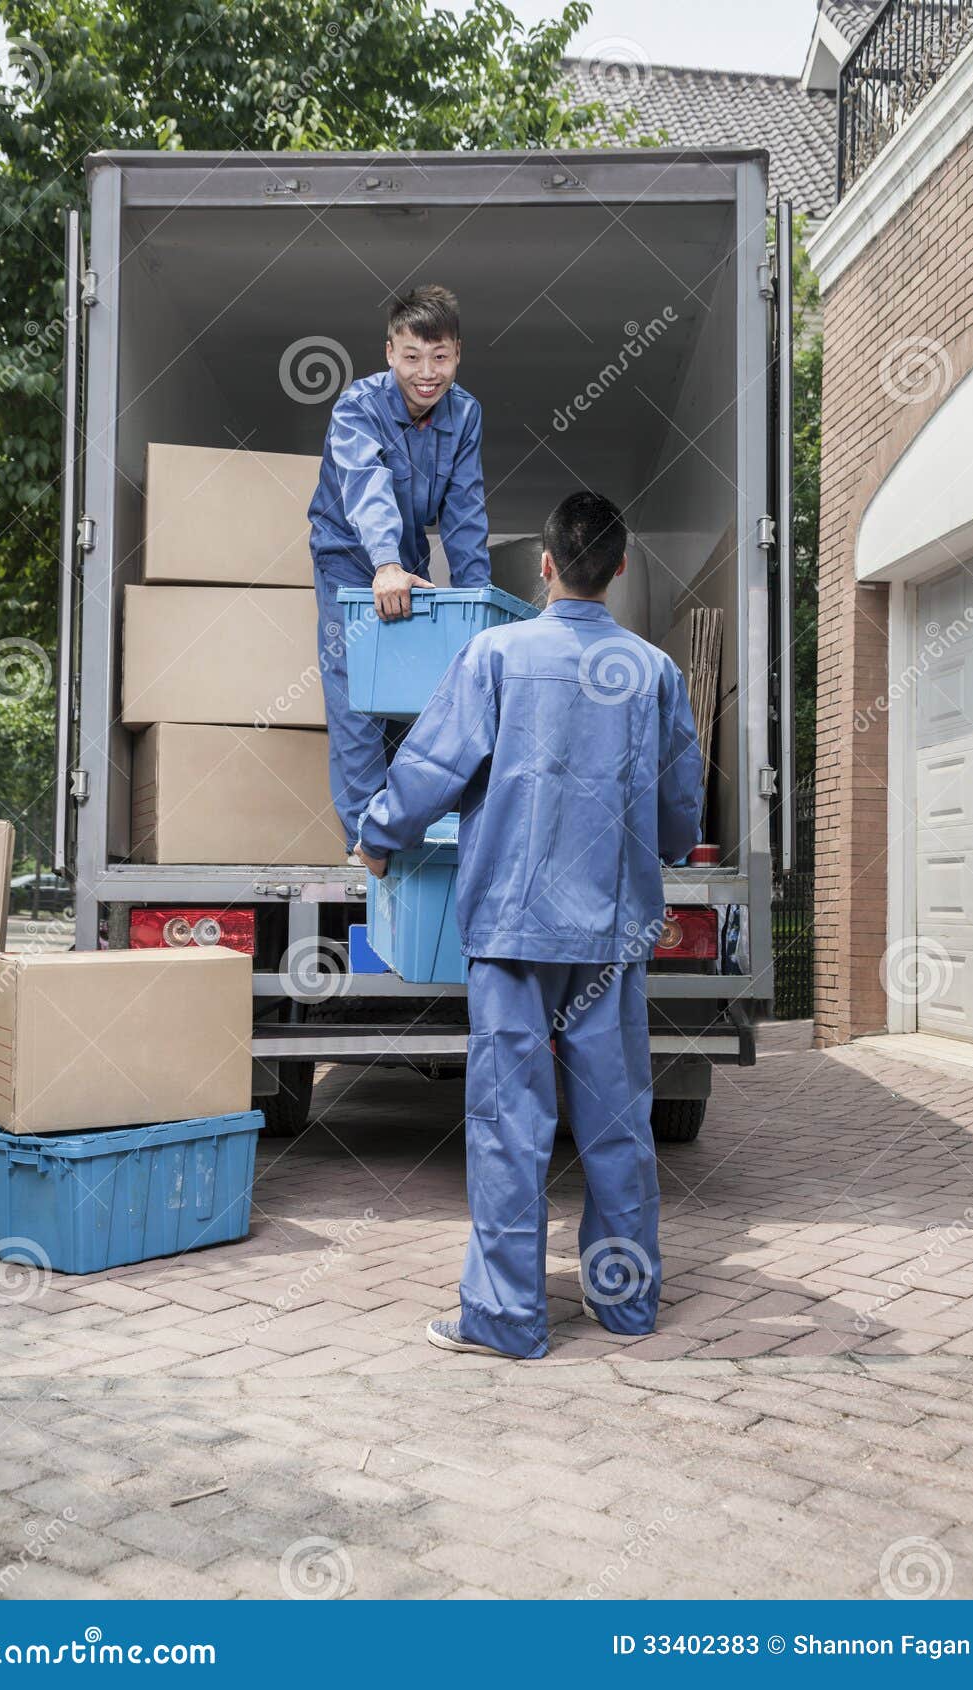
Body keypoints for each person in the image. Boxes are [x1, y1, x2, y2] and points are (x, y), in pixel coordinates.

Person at [355, 490, 704, 1360]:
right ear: (619, 569)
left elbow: (434, 762)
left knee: (510, 1122)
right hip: (609, 937)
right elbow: (675, 817)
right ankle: (623, 1305)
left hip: (512, 930)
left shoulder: (494, 653)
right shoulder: (655, 672)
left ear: (543, 565)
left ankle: (506, 1319)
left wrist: (378, 835)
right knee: (615, 1123)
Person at [308, 283, 490, 854]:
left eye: (440, 358)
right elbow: (368, 486)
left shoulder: (464, 415)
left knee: (424, 694)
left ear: (457, 352)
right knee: (357, 693)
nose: (426, 373)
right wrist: (383, 564)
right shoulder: (356, 407)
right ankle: (367, 844)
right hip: (351, 560)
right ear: (390, 353)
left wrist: (478, 608)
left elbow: (465, 511)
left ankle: (418, 829)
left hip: (405, 559)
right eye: (412, 357)